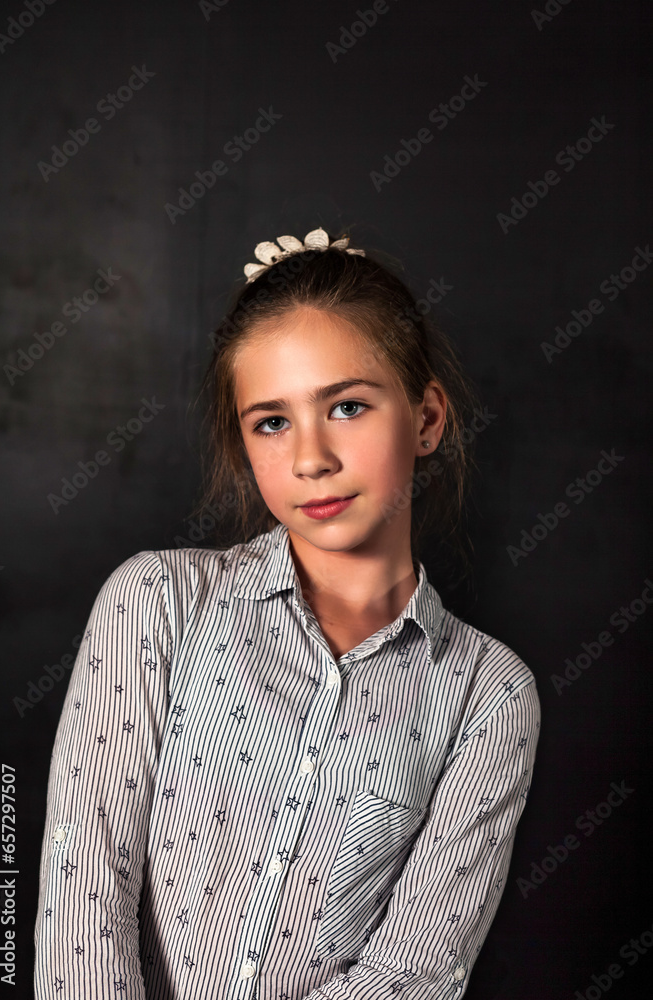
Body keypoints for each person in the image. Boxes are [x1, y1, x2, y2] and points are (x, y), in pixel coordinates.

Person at [34, 227, 541, 999]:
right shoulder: (159, 603)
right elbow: (82, 890)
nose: (310, 457)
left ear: (427, 418)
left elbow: (411, 974)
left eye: (346, 406)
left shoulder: (488, 694)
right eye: (271, 421)